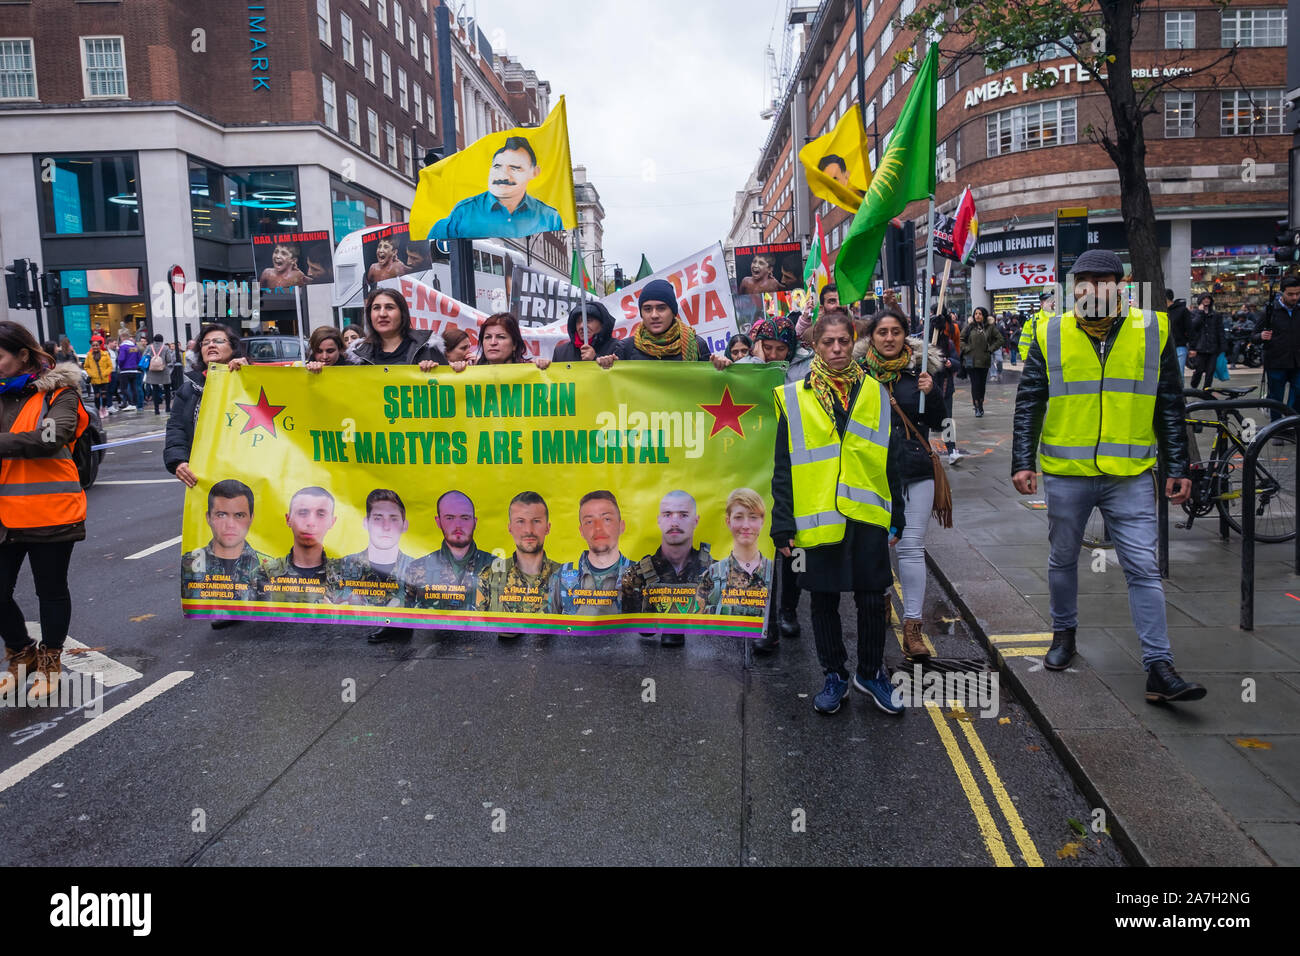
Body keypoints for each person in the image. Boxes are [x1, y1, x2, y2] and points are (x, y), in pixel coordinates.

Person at [1012, 248, 1204, 704]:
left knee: (1142, 567)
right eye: (1083, 280)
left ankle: (1159, 666)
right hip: (1065, 472)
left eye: (1102, 280)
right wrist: (1022, 460)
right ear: (1072, 284)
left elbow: (1170, 405)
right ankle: (1064, 635)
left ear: (1123, 284)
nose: (1091, 289)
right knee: (1062, 559)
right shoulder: (1049, 329)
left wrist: (1177, 467)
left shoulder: (1152, 329)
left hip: (1131, 473)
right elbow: (1030, 400)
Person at [771, 310, 903, 715]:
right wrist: (783, 525)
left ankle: (870, 672)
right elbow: (783, 465)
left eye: (844, 341)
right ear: (815, 345)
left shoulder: (876, 392)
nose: (837, 349)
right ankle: (834, 675)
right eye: (828, 342)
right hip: (817, 516)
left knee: (870, 597)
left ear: (854, 341)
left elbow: (889, 456)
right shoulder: (793, 396)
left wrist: (897, 513)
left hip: (866, 513)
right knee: (823, 598)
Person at [0, 324, 90, 704]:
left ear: (23, 354)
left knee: (50, 591)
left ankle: (50, 661)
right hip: (3, 516)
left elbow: (50, 437)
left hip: (49, 511)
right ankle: (22, 654)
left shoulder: (61, 392)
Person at [858, 307, 947, 659]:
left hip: (915, 471)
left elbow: (937, 422)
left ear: (905, 335)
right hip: (873, 474)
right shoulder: (858, 374)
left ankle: (912, 628)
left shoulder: (921, 372)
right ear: (872, 337)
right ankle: (880, 602)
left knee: (910, 547)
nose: (890, 338)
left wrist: (933, 391)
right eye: (883, 332)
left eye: (896, 331)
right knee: (878, 546)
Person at [620, 490, 712, 647]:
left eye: (683, 515)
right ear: (659, 520)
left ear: (696, 521)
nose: (675, 523)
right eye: (668, 514)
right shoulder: (636, 576)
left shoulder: (714, 573)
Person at [427, 136, 564, 240]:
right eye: (497, 167)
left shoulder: (551, 217)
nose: (504, 175)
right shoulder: (463, 212)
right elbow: (431, 251)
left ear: (534, 172)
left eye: (515, 168)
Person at [164, 323, 247, 491]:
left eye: (218, 341)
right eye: (205, 342)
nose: (211, 345)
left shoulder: (252, 381)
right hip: (205, 476)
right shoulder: (188, 390)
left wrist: (249, 374)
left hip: (247, 470)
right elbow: (176, 428)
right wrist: (178, 461)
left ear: (233, 348)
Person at [475, 491, 561, 639]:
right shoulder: (490, 576)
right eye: (520, 521)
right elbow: (477, 635)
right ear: (510, 528)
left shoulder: (564, 577)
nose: (529, 530)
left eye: (536, 521)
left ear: (547, 527)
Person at [181, 479, 270, 603]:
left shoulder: (270, 567)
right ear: (208, 518)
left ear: (251, 518)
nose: (230, 525)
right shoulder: (190, 563)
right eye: (221, 515)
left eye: (239, 515)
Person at [327, 489, 418, 610]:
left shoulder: (421, 572)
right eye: (378, 518)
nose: (386, 527)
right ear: (366, 523)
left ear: (405, 525)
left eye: (393, 518)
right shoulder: (337, 570)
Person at [406, 490, 494, 612]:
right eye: (449, 518)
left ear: (475, 522)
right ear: (438, 522)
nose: (458, 525)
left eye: (465, 518)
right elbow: (404, 623)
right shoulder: (416, 569)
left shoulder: (497, 568)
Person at [548, 490, 633, 615]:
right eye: (589, 521)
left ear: (622, 526)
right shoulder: (561, 577)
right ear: (581, 531)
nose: (598, 527)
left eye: (607, 519)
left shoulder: (640, 576)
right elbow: (548, 630)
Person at [696, 488, 773, 617]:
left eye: (753, 517)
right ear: (728, 521)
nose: (746, 525)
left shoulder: (773, 572)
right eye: (738, 517)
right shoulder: (713, 574)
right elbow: (697, 626)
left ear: (762, 521)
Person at [260, 487, 337, 604]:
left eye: (320, 514)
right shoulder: (265, 573)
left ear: (332, 522)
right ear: (288, 519)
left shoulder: (343, 576)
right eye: (303, 513)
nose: (310, 523)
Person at [625, 279, 722, 366]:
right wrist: (610, 367)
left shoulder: (697, 345)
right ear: (641, 313)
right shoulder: (626, 349)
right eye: (647, 309)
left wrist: (720, 367)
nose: (654, 315)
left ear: (673, 312)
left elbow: (707, 383)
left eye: (661, 308)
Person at [350, 288, 446, 370]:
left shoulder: (427, 349)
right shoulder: (358, 356)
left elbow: (448, 386)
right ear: (369, 315)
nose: (382, 314)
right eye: (376, 308)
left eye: (389, 307)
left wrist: (435, 372)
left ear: (402, 313)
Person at [1254, 274, 1300, 424]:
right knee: (1275, 398)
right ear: (1282, 293)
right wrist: (1261, 336)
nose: (1295, 297)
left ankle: (1292, 422)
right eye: (1291, 294)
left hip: (1297, 361)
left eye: (1298, 294)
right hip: (1276, 362)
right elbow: (1253, 336)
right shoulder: (1270, 311)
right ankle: (1277, 427)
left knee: (1298, 393)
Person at [448, 312, 550, 370]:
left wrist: (546, 371)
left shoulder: (532, 369)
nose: (493, 342)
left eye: (501, 337)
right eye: (487, 337)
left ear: (514, 344)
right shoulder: (468, 371)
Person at [551, 301, 625, 366]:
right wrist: (544, 368)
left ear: (602, 324)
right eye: (578, 322)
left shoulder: (617, 348)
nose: (581, 326)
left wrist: (595, 358)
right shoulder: (561, 352)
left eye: (588, 320)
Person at [960, 307, 1003, 417]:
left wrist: (991, 349)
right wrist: (966, 348)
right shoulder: (969, 327)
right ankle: (977, 406)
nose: (977, 316)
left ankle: (981, 404)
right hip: (970, 360)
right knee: (975, 384)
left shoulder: (990, 328)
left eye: (980, 314)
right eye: (976, 314)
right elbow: (961, 339)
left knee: (982, 385)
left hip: (984, 360)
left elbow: (1000, 339)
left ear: (984, 315)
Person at [1186, 292, 1224, 391]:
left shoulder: (1216, 315)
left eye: (1208, 298)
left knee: (1210, 371)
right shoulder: (1194, 313)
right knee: (1199, 370)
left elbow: (1220, 331)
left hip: (1213, 347)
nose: (1206, 300)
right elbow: (1193, 326)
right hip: (1200, 347)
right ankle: (1194, 385)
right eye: (1204, 298)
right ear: (1200, 300)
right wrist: (1200, 312)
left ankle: (1206, 390)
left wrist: (1223, 347)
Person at [142, 334, 174, 415]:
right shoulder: (165, 348)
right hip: (163, 370)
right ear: (162, 340)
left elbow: (144, 356)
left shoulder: (149, 347)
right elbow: (169, 359)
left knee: (155, 390)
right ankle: (167, 408)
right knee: (167, 390)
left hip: (152, 371)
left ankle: (156, 409)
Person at [83, 338, 113, 419]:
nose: (95, 347)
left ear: (100, 346)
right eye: (93, 346)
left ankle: (103, 408)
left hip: (104, 379)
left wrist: (105, 373)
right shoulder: (89, 355)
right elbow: (86, 366)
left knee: (104, 395)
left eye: (97, 345)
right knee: (97, 396)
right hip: (95, 379)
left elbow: (110, 366)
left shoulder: (105, 354)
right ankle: (98, 409)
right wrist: (91, 373)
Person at [1019, 292, 1054, 363]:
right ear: (1041, 304)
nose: (1050, 304)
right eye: (1047, 302)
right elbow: (1024, 340)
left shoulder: (1060, 318)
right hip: (1037, 359)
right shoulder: (1032, 320)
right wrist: (1025, 357)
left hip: (1055, 357)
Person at [1165, 288, 1192, 375]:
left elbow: (1189, 329)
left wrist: (1192, 347)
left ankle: (1179, 388)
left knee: (1179, 374)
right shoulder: (1162, 311)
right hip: (1165, 348)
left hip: (1179, 346)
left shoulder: (1182, 310)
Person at [115, 330, 142, 411]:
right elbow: (139, 358)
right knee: (134, 388)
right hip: (134, 370)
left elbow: (121, 359)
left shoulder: (123, 347)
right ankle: (135, 403)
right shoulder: (134, 347)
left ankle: (130, 403)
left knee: (124, 388)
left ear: (122, 337)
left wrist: (120, 365)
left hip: (125, 370)